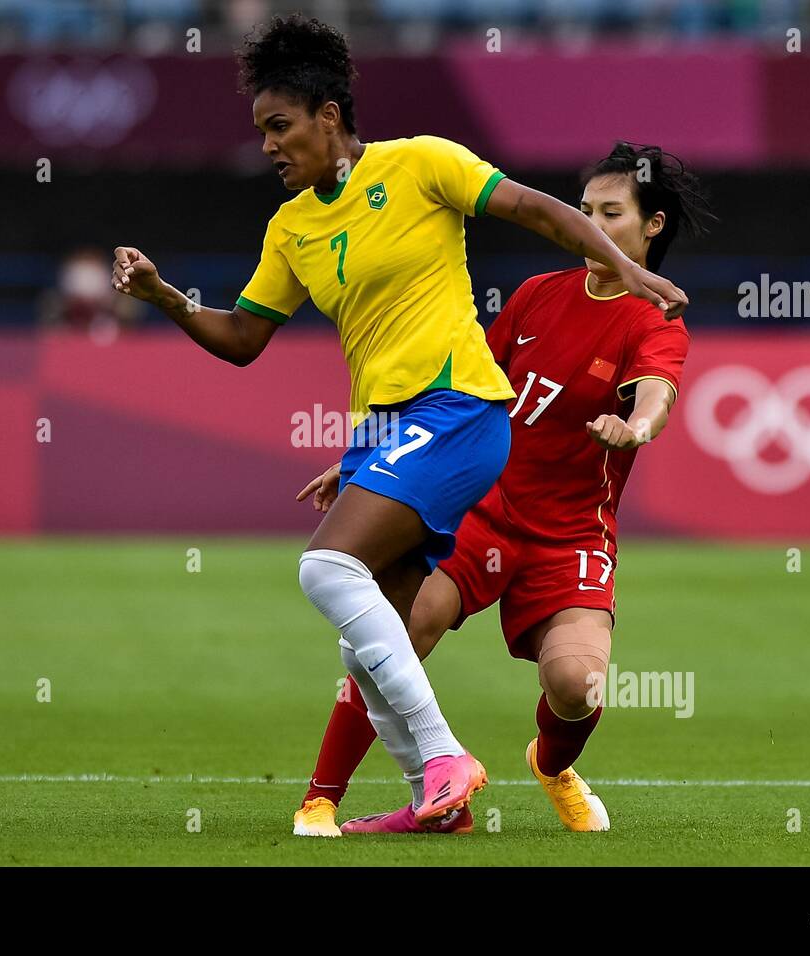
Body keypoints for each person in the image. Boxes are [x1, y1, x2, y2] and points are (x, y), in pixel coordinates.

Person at [111, 15, 687, 827]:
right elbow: (244, 339)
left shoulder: (421, 164)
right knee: (378, 634)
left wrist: (626, 271)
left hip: (459, 412)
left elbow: (534, 210)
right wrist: (166, 299)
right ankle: (433, 799)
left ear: (330, 117)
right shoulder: (291, 229)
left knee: (324, 568)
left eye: (281, 126)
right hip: (391, 431)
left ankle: (445, 755)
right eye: (260, 133)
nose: (269, 146)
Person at [292, 143, 715, 836]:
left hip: (571, 534)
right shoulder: (534, 296)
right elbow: (461, 392)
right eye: (585, 211)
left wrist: (636, 427)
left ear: (652, 226)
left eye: (613, 213)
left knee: (577, 686)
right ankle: (321, 798)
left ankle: (551, 765)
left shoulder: (653, 318)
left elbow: (657, 394)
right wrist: (369, 454)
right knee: (394, 630)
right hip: (481, 510)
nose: (593, 225)